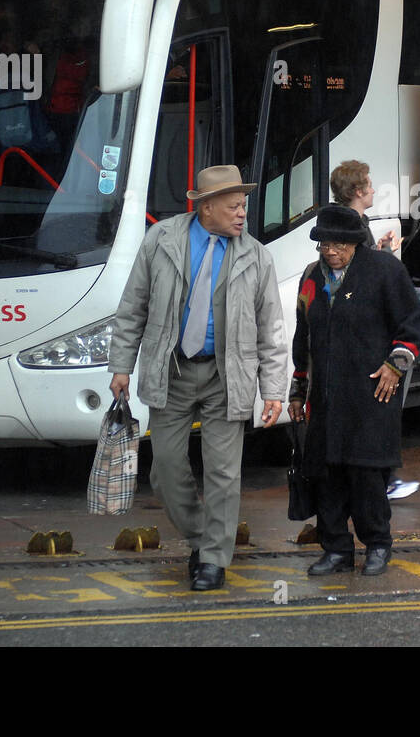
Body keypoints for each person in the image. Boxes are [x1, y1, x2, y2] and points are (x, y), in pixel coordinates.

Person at [109, 165, 287, 592]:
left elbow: (272, 329)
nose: (242, 214)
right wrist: (121, 364)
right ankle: (202, 539)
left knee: (224, 473)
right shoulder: (162, 241)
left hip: (228, 374)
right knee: (166, 469)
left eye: (243, 205)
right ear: (206, 207)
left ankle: (212, 559)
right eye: (233, 206)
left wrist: (274, 390)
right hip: (171, 369)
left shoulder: (256, 255)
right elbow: (133, 306)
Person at [288, 205, 420, 577]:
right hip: (325, 399)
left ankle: (378, 544)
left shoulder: (384, 271)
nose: (330, 251)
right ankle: (336, 549)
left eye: (338, 244)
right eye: (323, 244)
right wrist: (297, 390)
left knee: (366, 475)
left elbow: (412, 324)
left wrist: (395, 366)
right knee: (327, 475)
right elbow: (304, 335)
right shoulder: (312, 278)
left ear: (355, 242)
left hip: (371, 395)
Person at [331, 158, 418, 499]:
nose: (374, 189)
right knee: (375, 412)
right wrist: (384, 257)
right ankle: (378, 481)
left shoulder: (350, 223)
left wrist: (380, 251)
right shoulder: (352, 225)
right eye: (369, 184)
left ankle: (374, 478)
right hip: (368, 343)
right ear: (357, 191)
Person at [330, 159, 400, 251]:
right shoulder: (349, 229)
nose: (373, 191)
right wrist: (386, 252)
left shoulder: (351, 221)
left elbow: (365, 255)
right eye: (370, 186)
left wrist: (381, 248)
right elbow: (363, 264)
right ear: (359, 192)